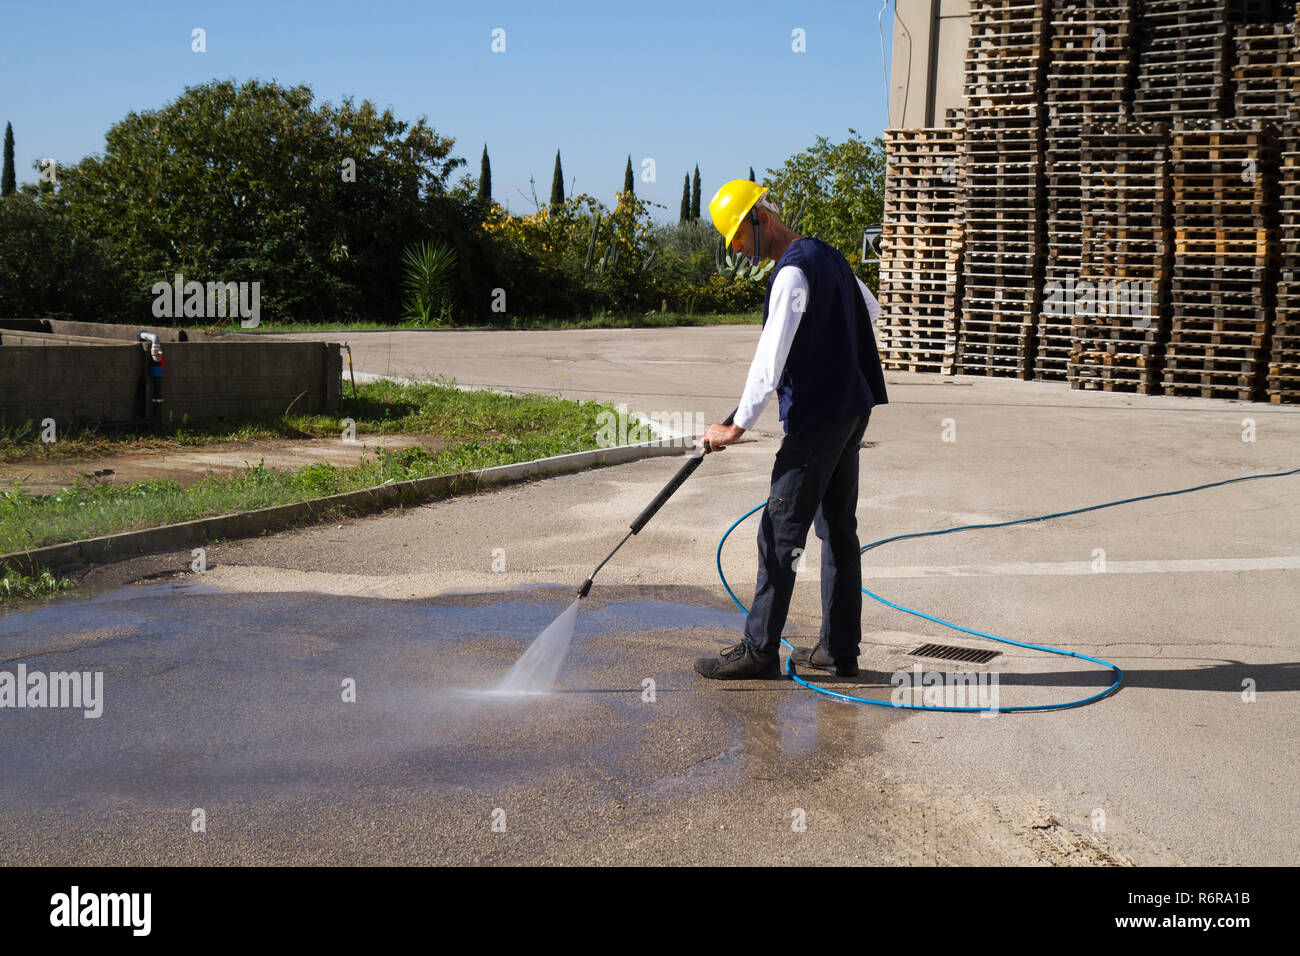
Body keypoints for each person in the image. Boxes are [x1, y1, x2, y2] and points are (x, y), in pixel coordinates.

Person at [693, 179, 888, 680]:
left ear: (760, 219)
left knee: (780, 531)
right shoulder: (830, 257)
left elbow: (769, 362)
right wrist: (832, 347)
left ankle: (759, 650)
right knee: (838, 529)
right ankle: (840, 650)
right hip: (851, 409)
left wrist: (735, 424)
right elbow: (870, 311)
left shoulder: (791, 274)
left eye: (737, 237)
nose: (738, 250)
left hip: (819, 419)